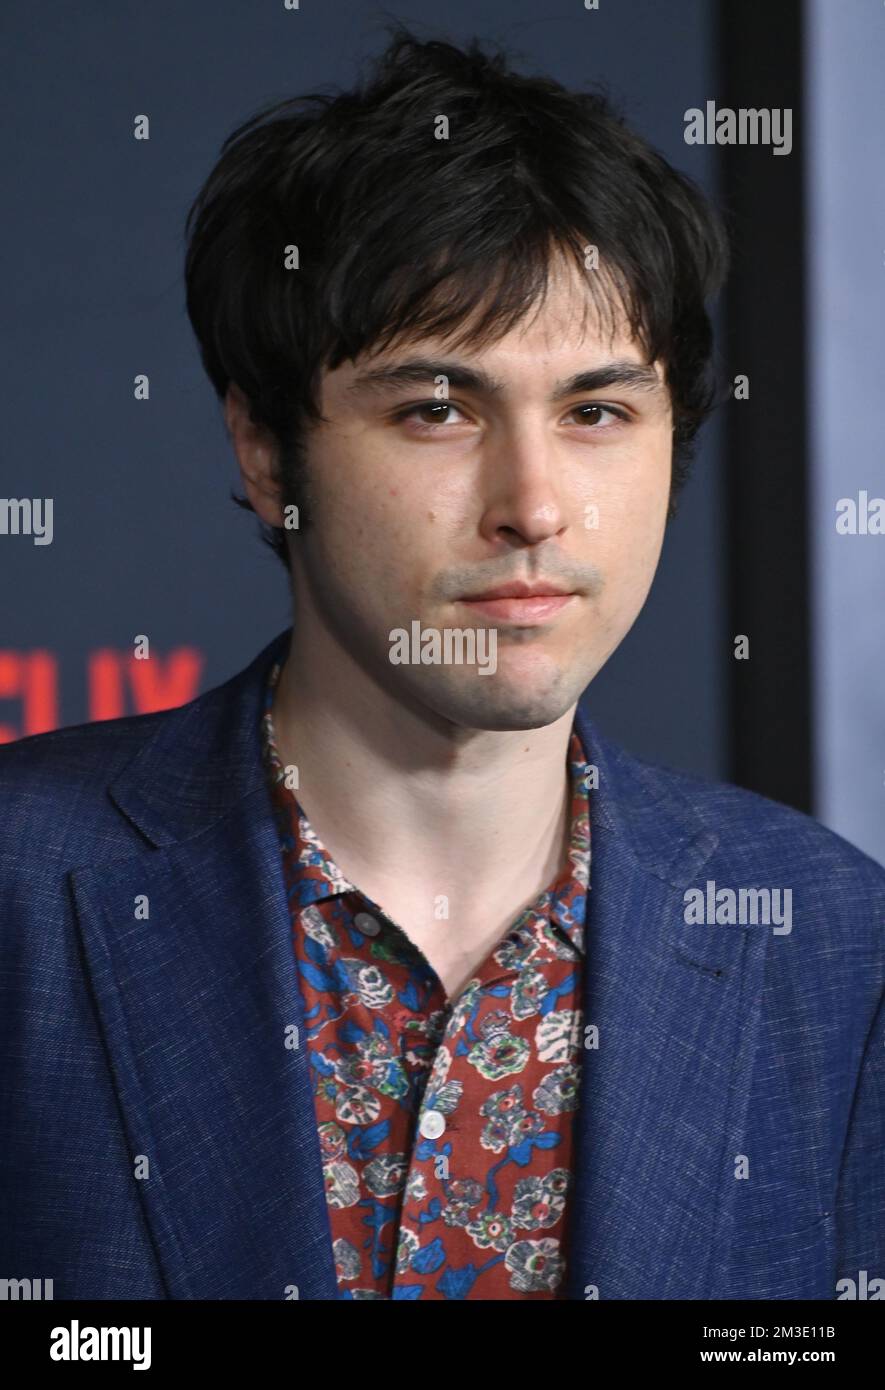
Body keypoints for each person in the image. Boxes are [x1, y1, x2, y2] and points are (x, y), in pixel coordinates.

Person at [1, 28, 882, 1302]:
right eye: (437, 409)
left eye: (596, 412)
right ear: (263, 450)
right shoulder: (27, 897)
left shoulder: (835, 942)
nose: (532, 504)